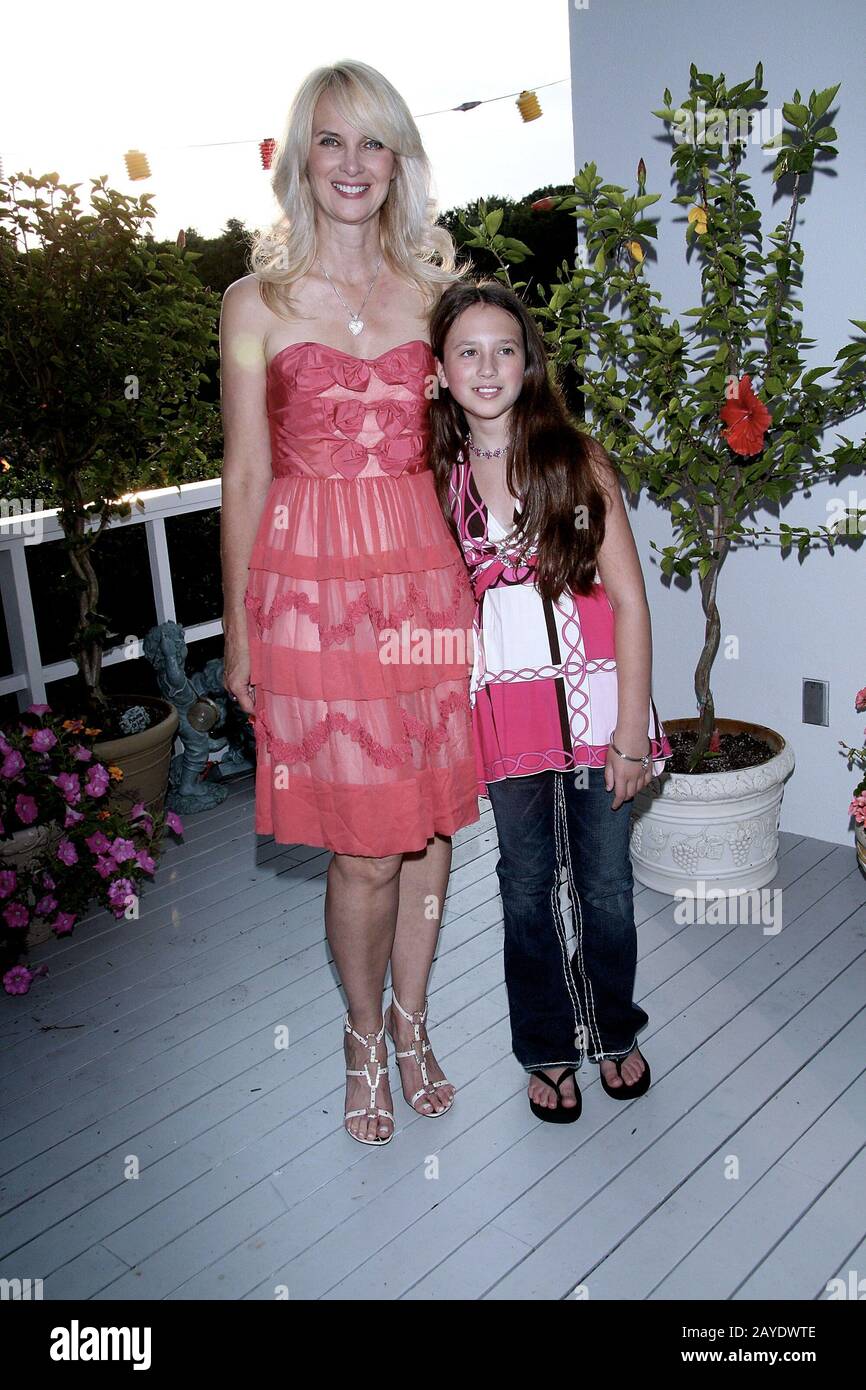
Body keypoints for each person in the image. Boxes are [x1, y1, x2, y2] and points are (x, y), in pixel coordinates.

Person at [219, 61, 480, 1147]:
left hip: (423, 583)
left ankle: (416, 1021)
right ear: (298, 159)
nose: (352, 164)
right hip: (310, 600)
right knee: (364, 844)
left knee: (424, 827)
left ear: (399, 159)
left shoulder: (438, 297)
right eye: (330, 141)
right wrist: (238, 629)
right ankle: (361, 1035)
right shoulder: (252, 305)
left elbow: (486, 432)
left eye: (372, 142)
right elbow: (242, 475)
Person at [428, 279, 672, 1123]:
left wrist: (633, 735)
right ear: (441, 368)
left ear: (530, 362)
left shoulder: (576, 457)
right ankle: (546, 1047)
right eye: (468, 350)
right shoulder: (436, 478)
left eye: (505, 348)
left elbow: (631, 600)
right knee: (525, 886)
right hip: (505, 715)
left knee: (605, 885)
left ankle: (614, 1028)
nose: (487, 366)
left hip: (600, 711)